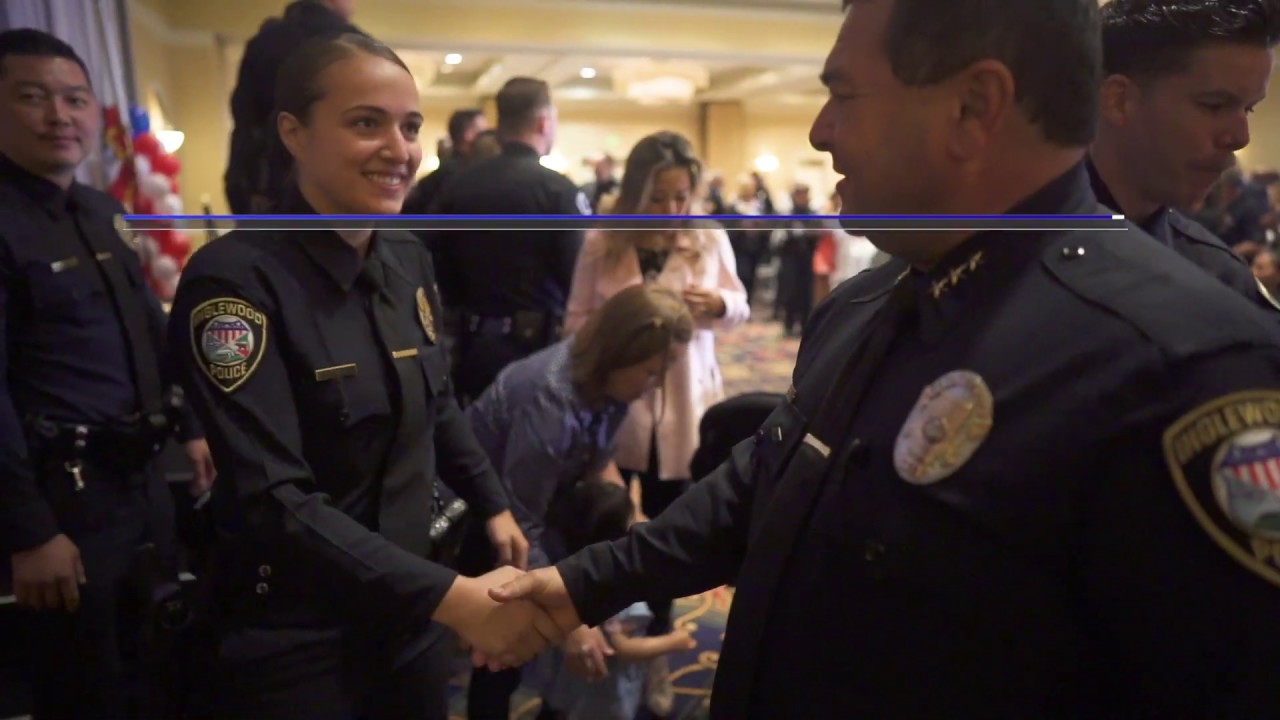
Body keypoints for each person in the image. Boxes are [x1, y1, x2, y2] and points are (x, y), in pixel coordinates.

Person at [486, 1, 1280, 717]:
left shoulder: (1183, 362)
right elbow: (765, 480)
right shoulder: (872, 301)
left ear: (973, 108)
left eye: (844, 95)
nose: (820, 130)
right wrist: (578, 586)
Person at [168, 33, 559, 720]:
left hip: (411, 612)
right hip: (302, 633)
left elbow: (437, 405)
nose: (400, 148)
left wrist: (492, 503)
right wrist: (453, 597)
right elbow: (274, 500)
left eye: (410, 126)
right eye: (365, 123)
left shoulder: (406, 257)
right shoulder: (234, 281)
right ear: (294, 132)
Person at [0, 29, 214, 719]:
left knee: (155, 662)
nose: (59, 116)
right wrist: (28, 531)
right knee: (81, 684)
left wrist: (191, 426)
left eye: (75, 98)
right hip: (60, 498)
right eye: (33, 98)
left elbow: (149, 332)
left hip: (139, 481)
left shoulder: (101, 211)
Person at [564, 131, 747, 713]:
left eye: (681, 197)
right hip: (616, 408)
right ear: (636, 193)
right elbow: (574, 324)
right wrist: (622, 327)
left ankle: (658, 656)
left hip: (684, 406)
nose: (672, 211)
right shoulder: (603, 242)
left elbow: (738, 305)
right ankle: (600, 644)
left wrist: (718, 306)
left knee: (671, 537)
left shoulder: (707, 237)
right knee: (602, 530)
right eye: (660, 198)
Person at [461, 283, 694, 720]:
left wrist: (638, 526)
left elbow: (599, 462)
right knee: (502, 650)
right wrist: (571, 622)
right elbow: (520, 525)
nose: (656, 385)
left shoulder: (610, 385)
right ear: (619, 354)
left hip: (544, 505)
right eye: (650, 372)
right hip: (486, 520)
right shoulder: (548, 399)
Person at [1090, 0, 1280, 314]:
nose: (1240, 137)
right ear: (1119, 101)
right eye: (1214, 105)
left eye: (1248, 108)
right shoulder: (1007, 245)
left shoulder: (1222, 279)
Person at [427, 77, 590, 405]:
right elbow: (579, 277)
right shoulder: (558, 191)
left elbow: (436, 266)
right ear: (544, 122)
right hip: (540, 351)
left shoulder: (459, 187)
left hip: (471, 348)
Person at [531, 480, 697, 720]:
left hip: (564, 679)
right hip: (602, 694)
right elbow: (623, 648)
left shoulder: (564, 573)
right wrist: (673, 642)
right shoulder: (621, 591)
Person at [224, 0, 361, 214]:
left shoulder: (263, 43)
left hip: (262, 193)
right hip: (336, 191)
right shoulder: (357, 47)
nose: (356, 5)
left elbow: (243, 117)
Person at [402, 108, 488, 216]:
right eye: (484, 132)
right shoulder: (466, 175)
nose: (489, 136)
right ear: (468, 135)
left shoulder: (436, 176)